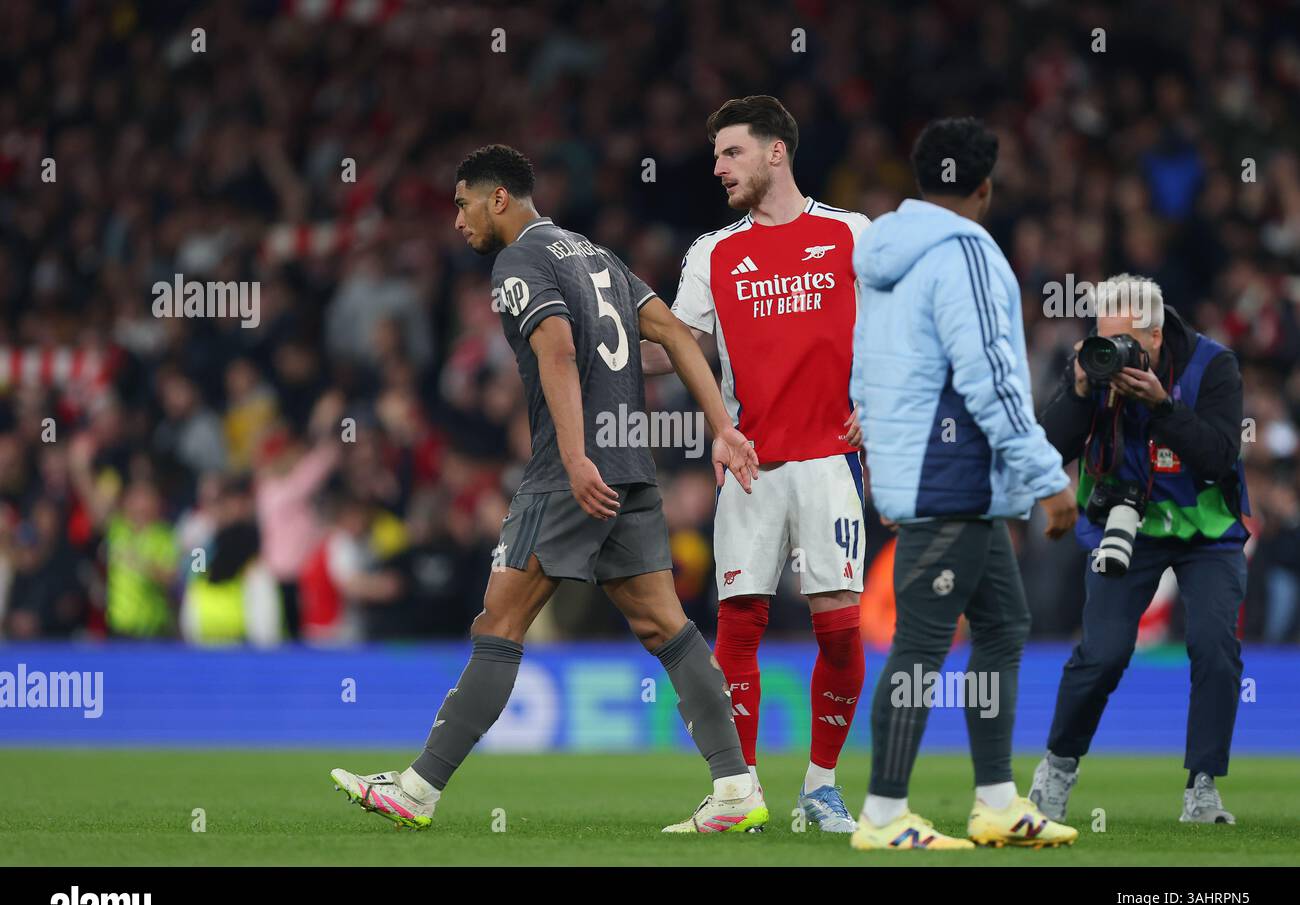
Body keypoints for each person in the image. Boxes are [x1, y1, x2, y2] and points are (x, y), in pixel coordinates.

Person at [330, 144, 767, 834]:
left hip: (570, 475)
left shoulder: (520, 261)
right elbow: (681, 339)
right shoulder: (597, 255)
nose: (456, 220)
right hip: (632, 465)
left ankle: (416, 789)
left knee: (498, 624)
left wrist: (572, 457)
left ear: (497, 198)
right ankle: (736, 785)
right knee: (667, 627)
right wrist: (722, 426)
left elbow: (557, 348)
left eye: (462, 203)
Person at [849, 117, 1079, 850]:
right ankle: (883, 814)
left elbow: (867, 372)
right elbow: (994, 381)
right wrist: (1049, 477)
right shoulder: (970, 253)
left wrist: (884, 467)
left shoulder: (881, 255)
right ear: (984, 187)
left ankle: (996, 802)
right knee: (920, 644)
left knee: (1003, 628)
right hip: (957, 479)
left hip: (927, 476)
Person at [643, 95, 870, 832]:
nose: (718, 168)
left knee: (838, 628)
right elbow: (672, 348)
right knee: (737, 628)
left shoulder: (851, 235)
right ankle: (738, 794)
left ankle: (821, 787)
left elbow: (908, 325)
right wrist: (587, 341)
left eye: (730, 153)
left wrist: (885, 397)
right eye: (715, 157)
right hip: (750, 462)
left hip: (831, 461)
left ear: (777, 152)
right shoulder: (714, 251)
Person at [1031, 275, 1250, 825]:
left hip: (1205, 529)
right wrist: (1080, 389)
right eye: (1101, 337)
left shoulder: (1212, 366)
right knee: (1101, 652)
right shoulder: (1094, 363)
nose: (1110, 351)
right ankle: (1057, 769)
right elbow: (1048, 447)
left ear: (1154, 338)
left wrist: (1161, 407)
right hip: (1125, 522)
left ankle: (1203, 787)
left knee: (1214, 646)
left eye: (1123, 341)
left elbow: (1220, 457)